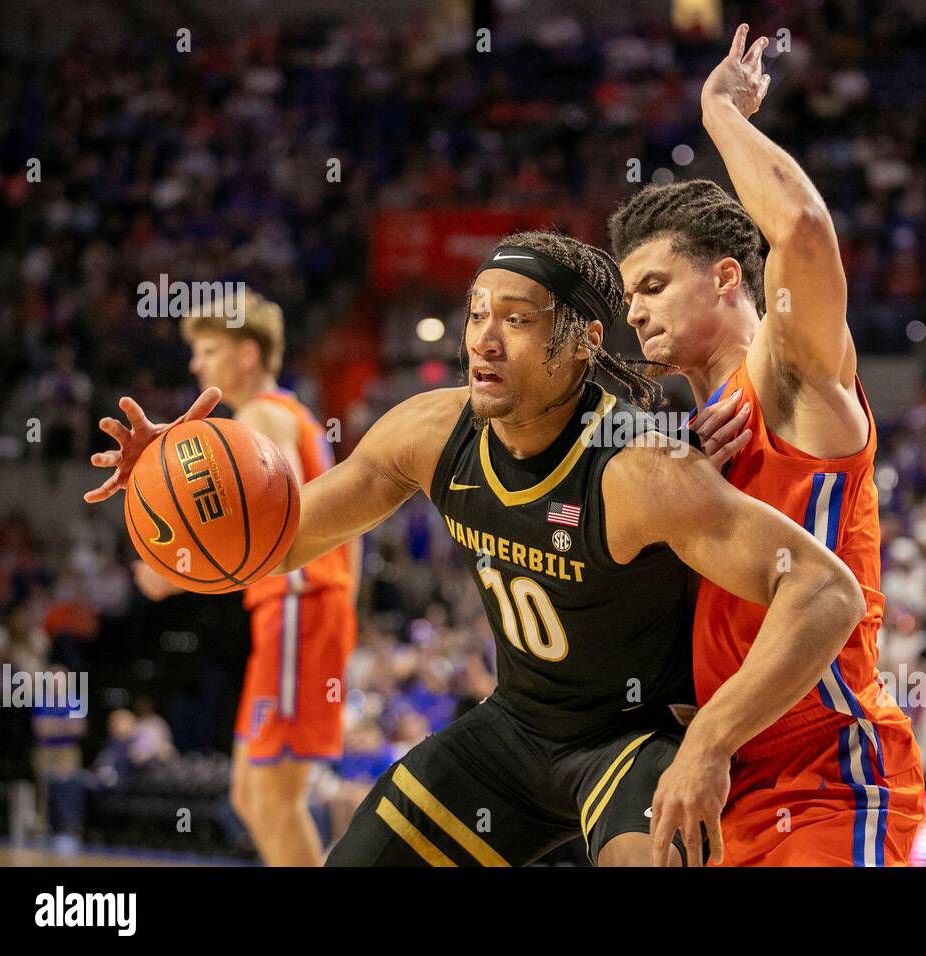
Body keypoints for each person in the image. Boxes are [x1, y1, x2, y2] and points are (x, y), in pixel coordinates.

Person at [85, 231, 867, 867]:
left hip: (631, 743)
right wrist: (186, 502)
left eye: (518, 320)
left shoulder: (642, 470)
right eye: (475, 314)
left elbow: (827, 592)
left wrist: (709, 745)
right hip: (515, 731)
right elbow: (282, 541)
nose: (483, 341)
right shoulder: (431, 431)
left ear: (582, 340)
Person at [609, 24, 924, 866]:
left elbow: (807, 234)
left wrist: (719, 114)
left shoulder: (786, 374)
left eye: (652, 284)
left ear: (722, 277)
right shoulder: (680, 446)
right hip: (725, 780)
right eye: (627, 294)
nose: (633, 311)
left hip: (826, 772)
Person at [85, 290, 360, 866]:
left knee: (274, 799)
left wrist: (171, 574)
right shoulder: (281, 416)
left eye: (208, 349)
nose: (195, 365)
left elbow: (266, 519)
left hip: (299, 607)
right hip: (295, 611)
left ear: (247, 354)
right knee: (248, 795)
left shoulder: (262, 417)